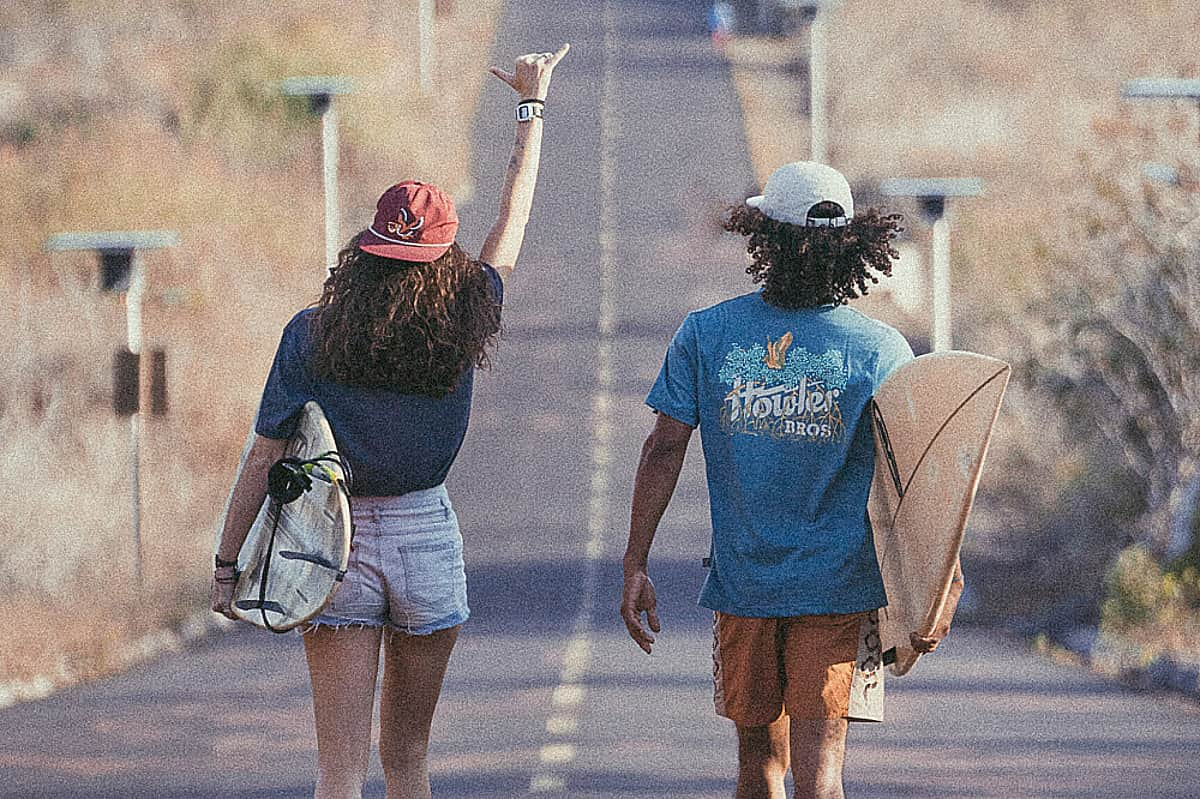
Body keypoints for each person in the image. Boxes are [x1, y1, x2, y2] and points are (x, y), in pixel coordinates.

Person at [211, 44, 569, 799]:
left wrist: (226, 562)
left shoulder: (312, 331)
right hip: (426, 537)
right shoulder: (468, 309)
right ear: (443, 256)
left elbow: (260, 456)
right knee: (407, 761)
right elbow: (515, 217)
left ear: (368, 251)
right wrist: (531, 109)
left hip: (330, 543)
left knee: (338, 772)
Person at [619, 161, 950, 799]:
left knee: (758, 772)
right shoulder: (881, 350)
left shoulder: (707, 334)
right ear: (853, 245)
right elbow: (920, 478)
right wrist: (937, 584)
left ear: (763, 235)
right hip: (839, 590)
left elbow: (664, 448)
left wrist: (637, 560)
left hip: (746, 585)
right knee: (820, 782)